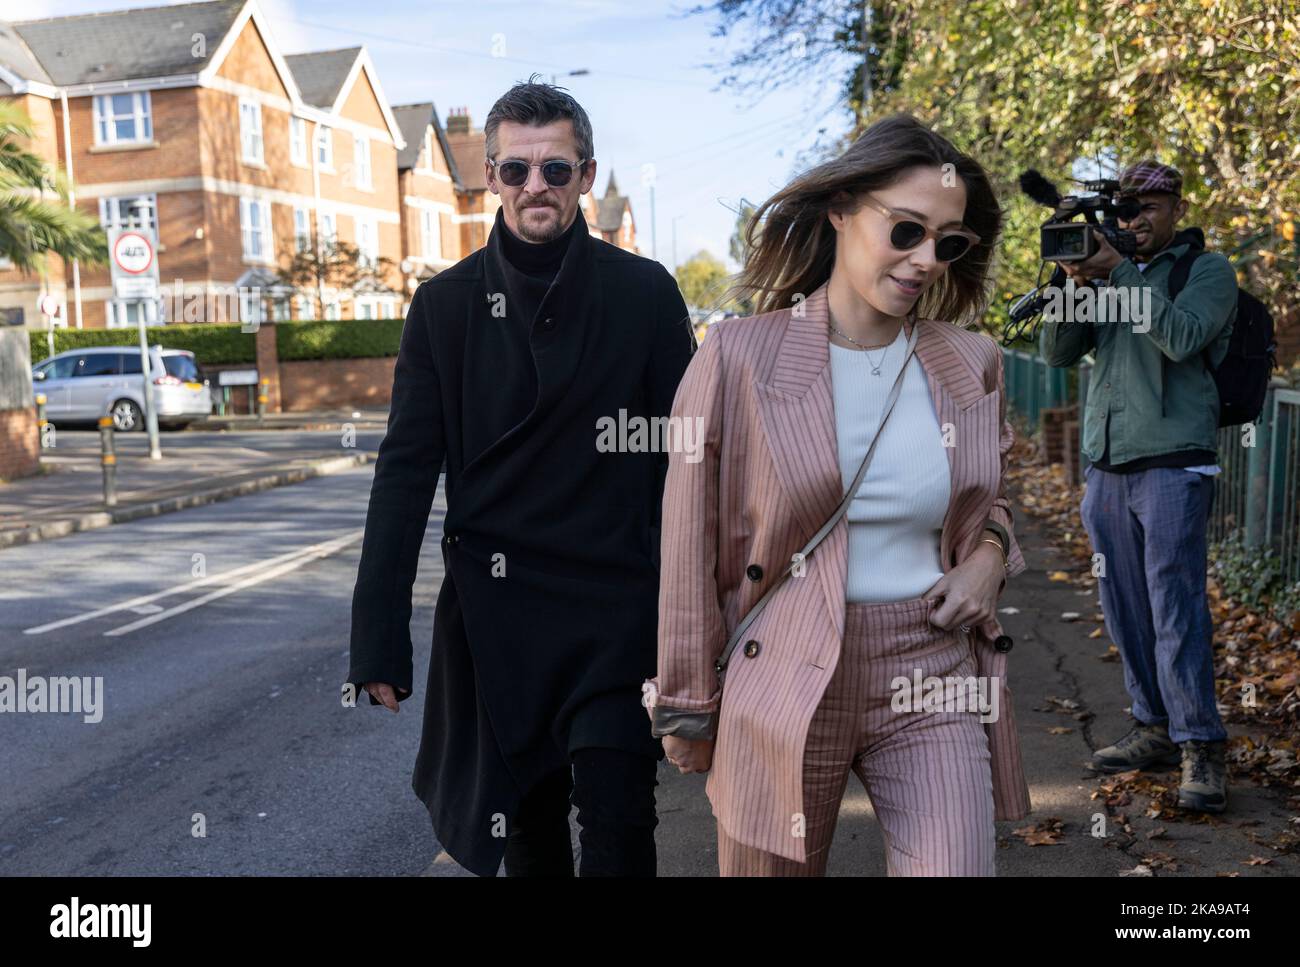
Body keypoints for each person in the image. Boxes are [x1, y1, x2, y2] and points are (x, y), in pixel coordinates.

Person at [645, 113, 1030, 876]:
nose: (926, 260)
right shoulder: (738, 357)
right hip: (784, 668)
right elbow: (690, 540)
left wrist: (989, 555)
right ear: (843, 209)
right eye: (906, 231)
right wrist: (688, 702)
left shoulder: (970, 360)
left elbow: (991, 501)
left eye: (946, 243)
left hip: (931, 666)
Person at [347, 79, 695, 876]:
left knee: (620, 825)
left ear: (588, 176)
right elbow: (404, 474)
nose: (535, 186)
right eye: (515, 170)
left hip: (616, 611)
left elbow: (694, 460)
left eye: (556, 170)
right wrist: (378, 638)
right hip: (499, 621)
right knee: (530, 841)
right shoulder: (444, 306)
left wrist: (700, 620)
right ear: (492, 178)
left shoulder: (644, 294)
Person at [1041, 160, 1236, 813]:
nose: (1133, 219)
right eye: (1124, 209)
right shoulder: (1106, 275)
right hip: (1106, 466)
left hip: (1174, 462)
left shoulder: (1204, 272)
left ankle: (1202, 744)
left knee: (1174, 607)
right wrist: (1071, 282)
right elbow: (1058, 354)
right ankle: (1152, 725)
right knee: (1124, 606)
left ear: (1176, 206)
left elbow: (1182, 337)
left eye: (1147, 206)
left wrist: (1120, 273)